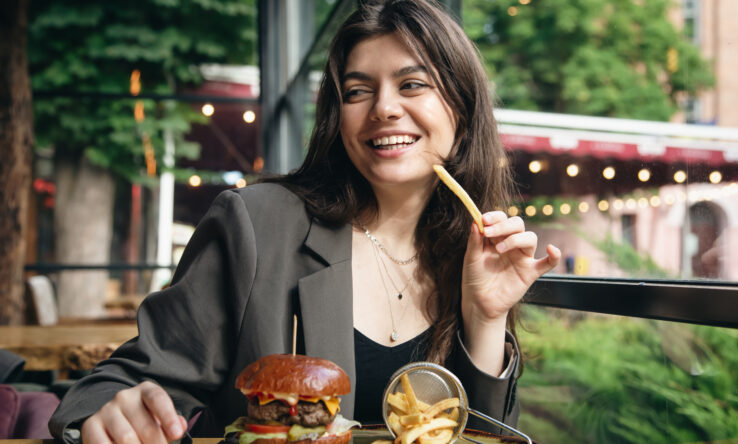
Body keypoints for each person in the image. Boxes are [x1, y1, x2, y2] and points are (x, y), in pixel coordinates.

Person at [48, 1, 560, 442]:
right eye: (358, 91)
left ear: (463, 112)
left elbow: (488, 432)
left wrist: (487, 319)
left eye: (412, 84)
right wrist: (112, 415)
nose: (383, 108)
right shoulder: (257, 224)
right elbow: (115, 385)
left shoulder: (472, 254)